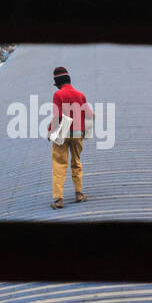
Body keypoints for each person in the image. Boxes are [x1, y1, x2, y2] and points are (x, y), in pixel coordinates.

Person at [47, 65, 91, 209]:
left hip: (63, 129)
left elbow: (58, 116)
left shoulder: (58, 95)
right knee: (76, 162)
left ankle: (59, 200)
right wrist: (85, 133)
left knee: (59, 164)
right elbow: (89, 115)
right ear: (69, 80)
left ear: (58, 83)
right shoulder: (80, 94)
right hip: (78, 130)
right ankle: (79, 194)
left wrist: (50, 132)